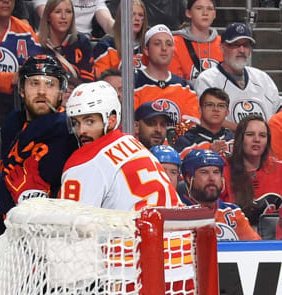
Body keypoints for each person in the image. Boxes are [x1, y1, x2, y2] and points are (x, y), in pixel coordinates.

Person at [0, 54, 74, 232]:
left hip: (52, 225)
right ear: (22, 90)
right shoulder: (12, 124)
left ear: (60, 92)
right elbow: (6, 171)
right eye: (34, 83)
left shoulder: (68, 129)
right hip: (11, 218)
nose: (42, 91)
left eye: (50, 84)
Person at [61, 80, 181, 210]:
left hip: (143, 222)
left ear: (111, 121)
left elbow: (71, 219)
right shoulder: (133, 144)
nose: (81, 131)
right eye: (76, 123)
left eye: (90, 121)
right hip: (175, 220)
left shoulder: (85, 160)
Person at [192, 22, 282, 124]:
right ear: (222, 48)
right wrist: (245, 131)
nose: (242, 50)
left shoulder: (262, 78)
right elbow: (208, 119)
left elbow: (280, 111)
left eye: (246, 45)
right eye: (235, 45)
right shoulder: (208, 80)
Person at [223, 113, 282, 225]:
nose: (257, 139)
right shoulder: (223, 169)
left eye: (262, 135)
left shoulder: (280, 169)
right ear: (240, 139)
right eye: (250, 134)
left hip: (272, 234)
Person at [0, 0, 41, 126]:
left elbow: (38, 65)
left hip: (15, 95)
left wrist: (27, 72)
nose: (6, 1)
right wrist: (8, 79)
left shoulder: (26, 32)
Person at [182, 148, 259, 240]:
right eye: (204, 172)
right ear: (189, 178)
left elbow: (255, 245)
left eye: (216, 172)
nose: (212, 178)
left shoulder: (232, 212)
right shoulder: (177, 213)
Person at [134, 24, 199, 124]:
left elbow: (192, 126)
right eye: (157, 44)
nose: (164, 48)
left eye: (169, 44)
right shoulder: (133, 84)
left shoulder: (185, 88)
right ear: (146, 50)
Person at [38, 0, 96, 86]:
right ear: (48, 17)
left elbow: (88, 82)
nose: (63, 16)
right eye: (58, 12)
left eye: (68, 12)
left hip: (76, 92)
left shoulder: (82, 42)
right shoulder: (36, 43)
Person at [175, 87, 232, 155]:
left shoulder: (234, 139)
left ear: (227, 112)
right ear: (200, 110)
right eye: (210, 105)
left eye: (221, 106)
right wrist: (209, 153)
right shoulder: (186, 140)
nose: (216, 109)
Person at [171, 0, 220, 80]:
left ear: (214, 14)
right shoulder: (174, 43)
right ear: (188, 13)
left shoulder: (224, 44)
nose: (205, 13)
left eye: (209, 9)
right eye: (199, 8)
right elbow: (175, 83)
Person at [91, 0, 144, 75]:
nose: (137, 18)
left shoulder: (149, 45)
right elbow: (102, 78)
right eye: (132, 14)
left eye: (140, 15)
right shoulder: (106, 45)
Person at [31, 0, 110, 37]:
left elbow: (107, 21)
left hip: (85, 40)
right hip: (53, 37)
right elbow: (46, 15)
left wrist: (116, 34)